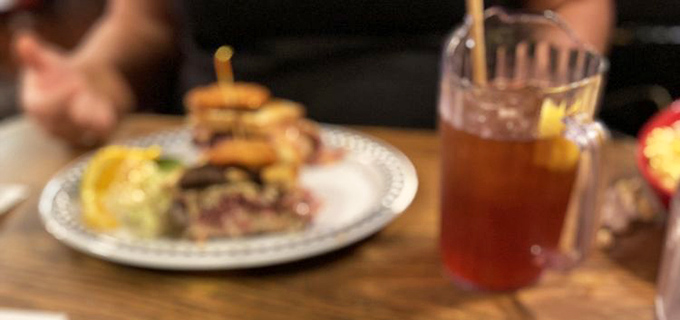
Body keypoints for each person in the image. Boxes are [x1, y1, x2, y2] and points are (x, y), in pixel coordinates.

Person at [12, 0, 614, 145]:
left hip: (448, 173)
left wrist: (537, 110)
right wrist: (95, 74)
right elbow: (143, 20)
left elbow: (570, 5)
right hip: (202, 167)